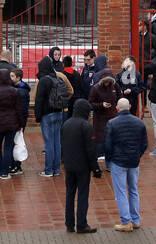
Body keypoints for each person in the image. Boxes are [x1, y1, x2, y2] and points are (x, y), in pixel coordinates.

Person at [103, 97, 149, 232]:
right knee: (133, 190)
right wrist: (137, 155)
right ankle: (136, 220)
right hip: (134, 161)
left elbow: (107, 145)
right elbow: (144, 143)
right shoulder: (139, 123)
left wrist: (109, 160)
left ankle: (126, 221)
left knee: (121, 192)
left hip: (118, 161)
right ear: (129, 107)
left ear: (117, 108)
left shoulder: (112, 123)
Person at [61, 98, 100, 234]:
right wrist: (95, 168)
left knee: (69, 194)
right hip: (83, 167)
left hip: (69, 165)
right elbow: (90, 150)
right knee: (83, 195)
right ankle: (82, 224)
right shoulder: (86, 126)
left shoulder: (66, 124)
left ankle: (69, 224)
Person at [34, 57, 68, 177]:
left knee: (48, 143)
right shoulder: (58, 78)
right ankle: (56, 170)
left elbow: (39, 100)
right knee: (57, 142)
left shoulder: (43, 80)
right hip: (59, 112)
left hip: (47, 115)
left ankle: (48, 170)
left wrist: (38, 117)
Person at [0, 68, 22, 180]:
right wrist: (20, 124)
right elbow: (18, 108)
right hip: (11, 122)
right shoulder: (15, 91)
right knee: (8, 147)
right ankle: (6, 172)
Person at [89, 71, 119, 157]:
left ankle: (110, 154)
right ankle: (100, 154)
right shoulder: (95, 88)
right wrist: (101, 105)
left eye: (108, 82)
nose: (107, 83)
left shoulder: (115, 86)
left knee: (111, 135)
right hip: (100, 117)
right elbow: (90, 103)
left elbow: (119, 96)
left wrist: (118, 105)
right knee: (100, 136)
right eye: (105, 81)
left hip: (112, 115)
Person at [9, 68, 30, 175]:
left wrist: (20, 123)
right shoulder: (18, 89)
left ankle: (16, 165)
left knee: (16, 143)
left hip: (18, 121)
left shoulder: (20, 91)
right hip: (18, 120)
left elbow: (21, 109)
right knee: (15, 142)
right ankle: (14, 164)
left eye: (12, 76)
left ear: (18, 78)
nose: (10, 78)